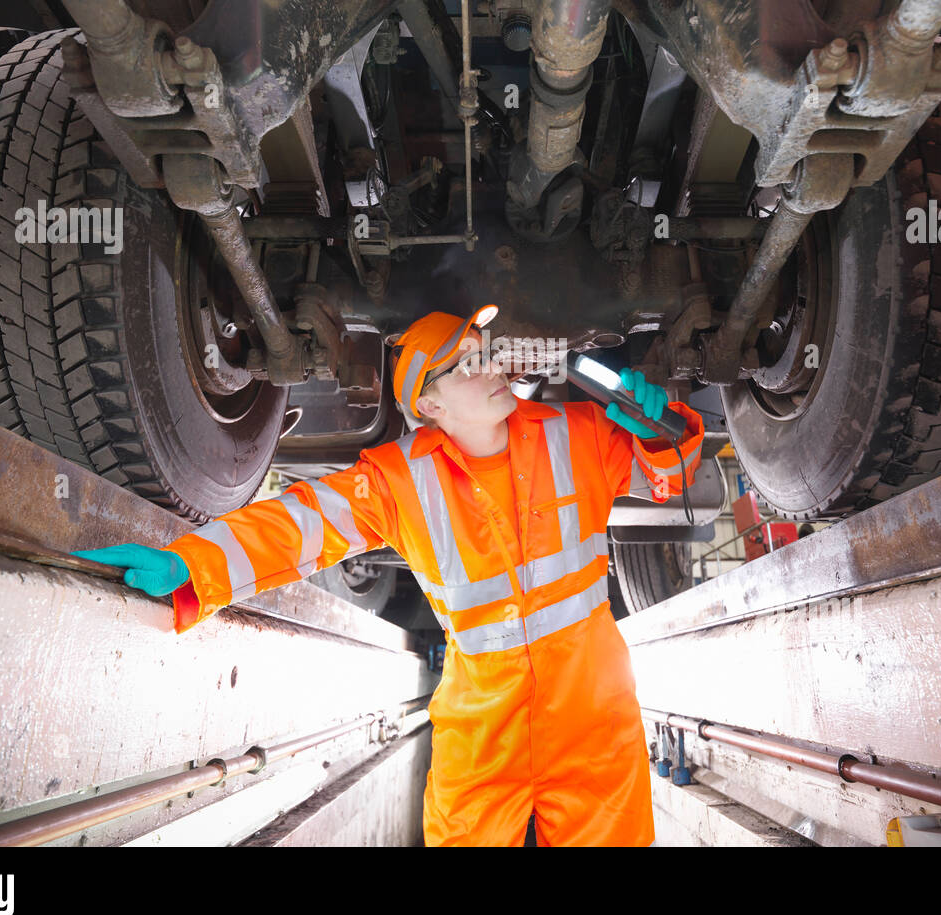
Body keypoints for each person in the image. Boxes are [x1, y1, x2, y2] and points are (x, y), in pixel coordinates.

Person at [75, 303, 705, 846]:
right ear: (427, 403)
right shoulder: (398, 482)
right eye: (464, 364)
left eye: (485, 352)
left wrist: (662, 430)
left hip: (594, 726)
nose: (490, 367)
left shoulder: (580, 434)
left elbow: (672, 475)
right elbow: (298, 526)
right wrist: (194, 563)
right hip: (482, 739)